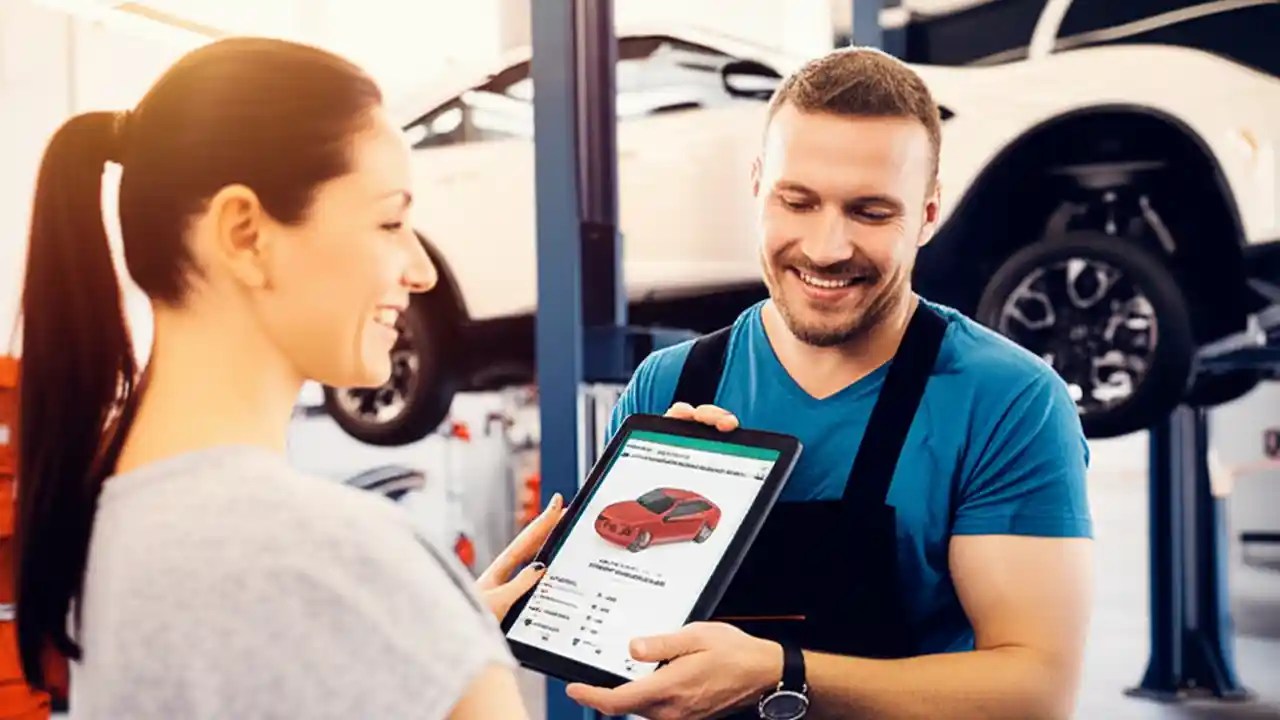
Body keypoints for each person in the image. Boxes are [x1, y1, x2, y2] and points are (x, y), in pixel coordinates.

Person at [13, 37, 561, 719]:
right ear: (245, 234)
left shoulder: (105, 520)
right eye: (390, 220)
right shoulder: (337, 556)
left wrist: (429, 623)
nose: (420, 271)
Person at [566, 47, 1094, 720]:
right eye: (798, 201)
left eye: (870, 212)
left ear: (928, 215)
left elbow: (1036, 691)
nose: (826, 248)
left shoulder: (1008, 401)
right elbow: (607, 642)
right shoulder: (667, 388)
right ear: (758, 185)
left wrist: (782, 673)